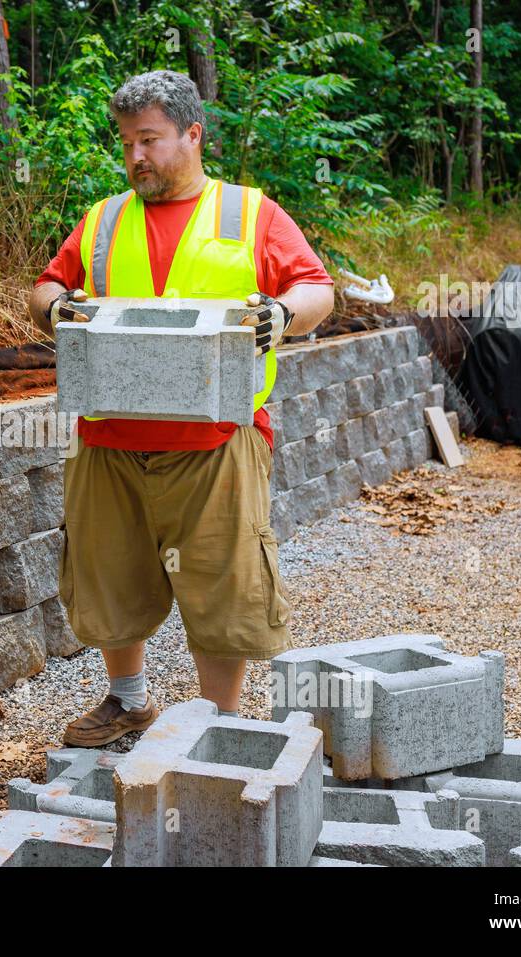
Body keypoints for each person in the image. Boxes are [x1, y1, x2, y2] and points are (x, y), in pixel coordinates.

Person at [27, 70, 335, 746]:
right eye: (127, 142)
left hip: (216, 440)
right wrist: (56, 307)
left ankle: (218, 725)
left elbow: (317, 288)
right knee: (110, 575)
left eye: (150, 140)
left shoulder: (249, 214)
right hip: (108, 438)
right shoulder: (105, 219)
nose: (136, 156)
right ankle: (128, 700)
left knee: (222, 586)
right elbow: (49, 282)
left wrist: (281, 313)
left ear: (193, 134)